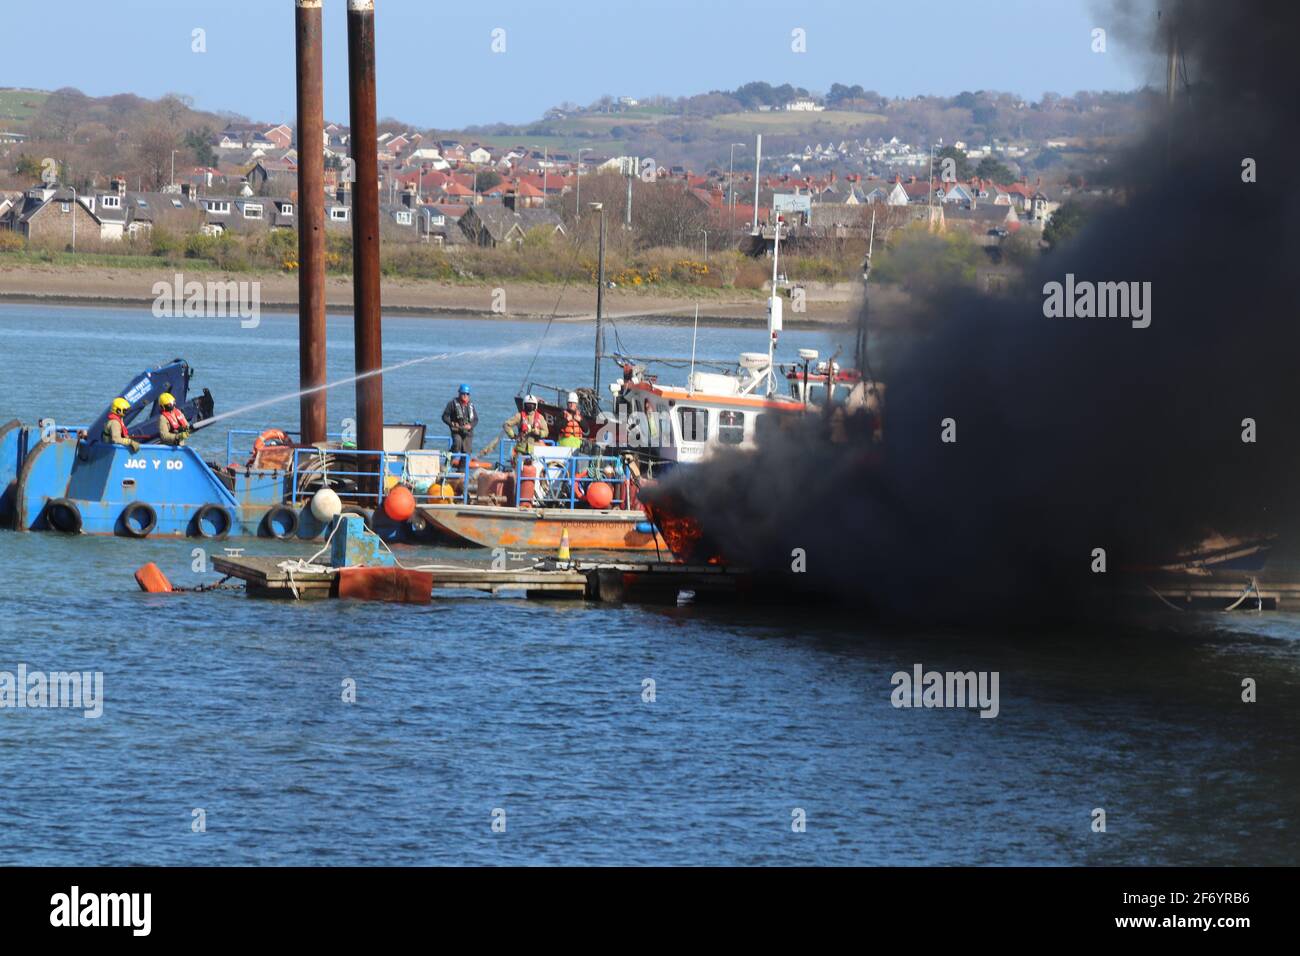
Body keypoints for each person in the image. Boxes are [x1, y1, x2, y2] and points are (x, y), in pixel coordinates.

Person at [503, 394, 548, 459]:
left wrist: (538, 432)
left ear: (535, 406)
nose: (530, 406)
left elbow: (546, 432)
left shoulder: (540, 418)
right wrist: (513, 436)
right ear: (524, 405)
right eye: (528, 405)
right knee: (519, 465)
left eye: (532, 405)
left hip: (535, 449)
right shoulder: (519, 416)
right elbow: (506, 425)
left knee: (533, 467)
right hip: (521, 448)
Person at [441, 383, 478, 455]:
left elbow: (476, 419)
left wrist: (470, 425)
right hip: (456, 431)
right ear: (459, 394)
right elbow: (444, 417)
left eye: (467, 394)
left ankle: (463, 466)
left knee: (467, 451)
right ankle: (448, 462)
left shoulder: (471, 406)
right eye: (463, 393)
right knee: (457, 444)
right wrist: (451, 423)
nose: (465, 396)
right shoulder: (452, 404)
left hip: (468, 432)